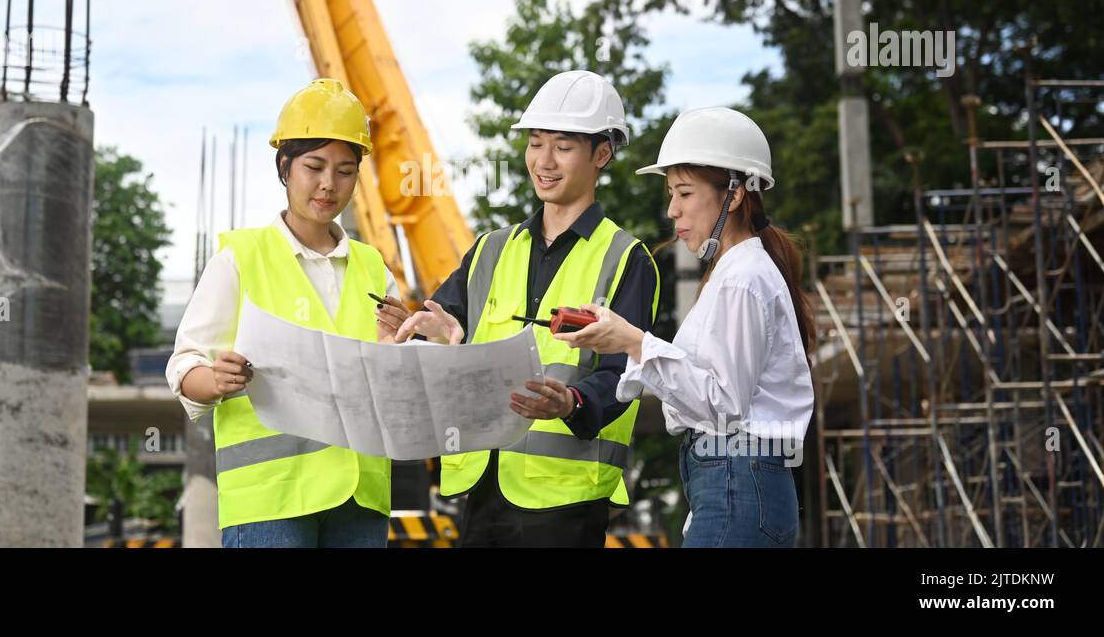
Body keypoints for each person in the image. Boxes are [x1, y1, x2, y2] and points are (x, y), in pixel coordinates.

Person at [385, 71, 659, 548]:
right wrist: (428, 330)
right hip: (481, 488)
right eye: (535, 143)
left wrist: (574, 402)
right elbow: (445, 331)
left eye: (563, 146)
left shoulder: (626, 259)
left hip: (565, 501)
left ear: (602, 153)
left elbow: (627, 370)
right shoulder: (491, 249)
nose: (543, 161)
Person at [552, 106, 815, 547]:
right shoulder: (735, 272)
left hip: (736, 479)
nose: (672, 210)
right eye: (671, 194)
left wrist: (633, 341)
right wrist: (631, 345)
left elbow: (722, 403)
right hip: (730, 481)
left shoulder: (743, 278)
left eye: (685, 193)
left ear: (733, 195)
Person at [166, 78, 401, 548]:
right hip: (269, 504)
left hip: (360, 498)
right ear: (285, 167)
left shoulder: (374, 269)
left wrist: (399, 353)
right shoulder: (241, 257)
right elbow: (184, 364)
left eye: (345, 170)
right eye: (314, 166)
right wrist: (215, 379)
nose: (328, 185)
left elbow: (394, 380)